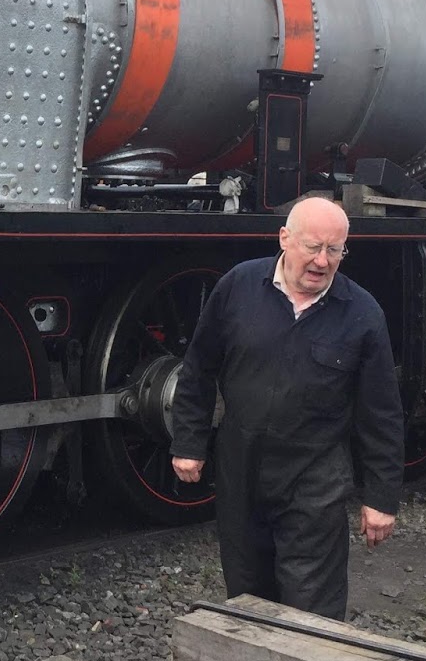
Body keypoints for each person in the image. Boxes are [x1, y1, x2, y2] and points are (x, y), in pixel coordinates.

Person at [169, 195, 404, 620]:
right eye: (313, 247)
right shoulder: (239, 287)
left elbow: (381, 412)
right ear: (284, 239)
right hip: (241, 469)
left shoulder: (363, 314)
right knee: (247, 598)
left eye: (335, 250)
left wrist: (381, 497)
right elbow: (199, 367)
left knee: (311, 606)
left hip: (315, 477)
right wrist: (189, 441)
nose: (322, 261)